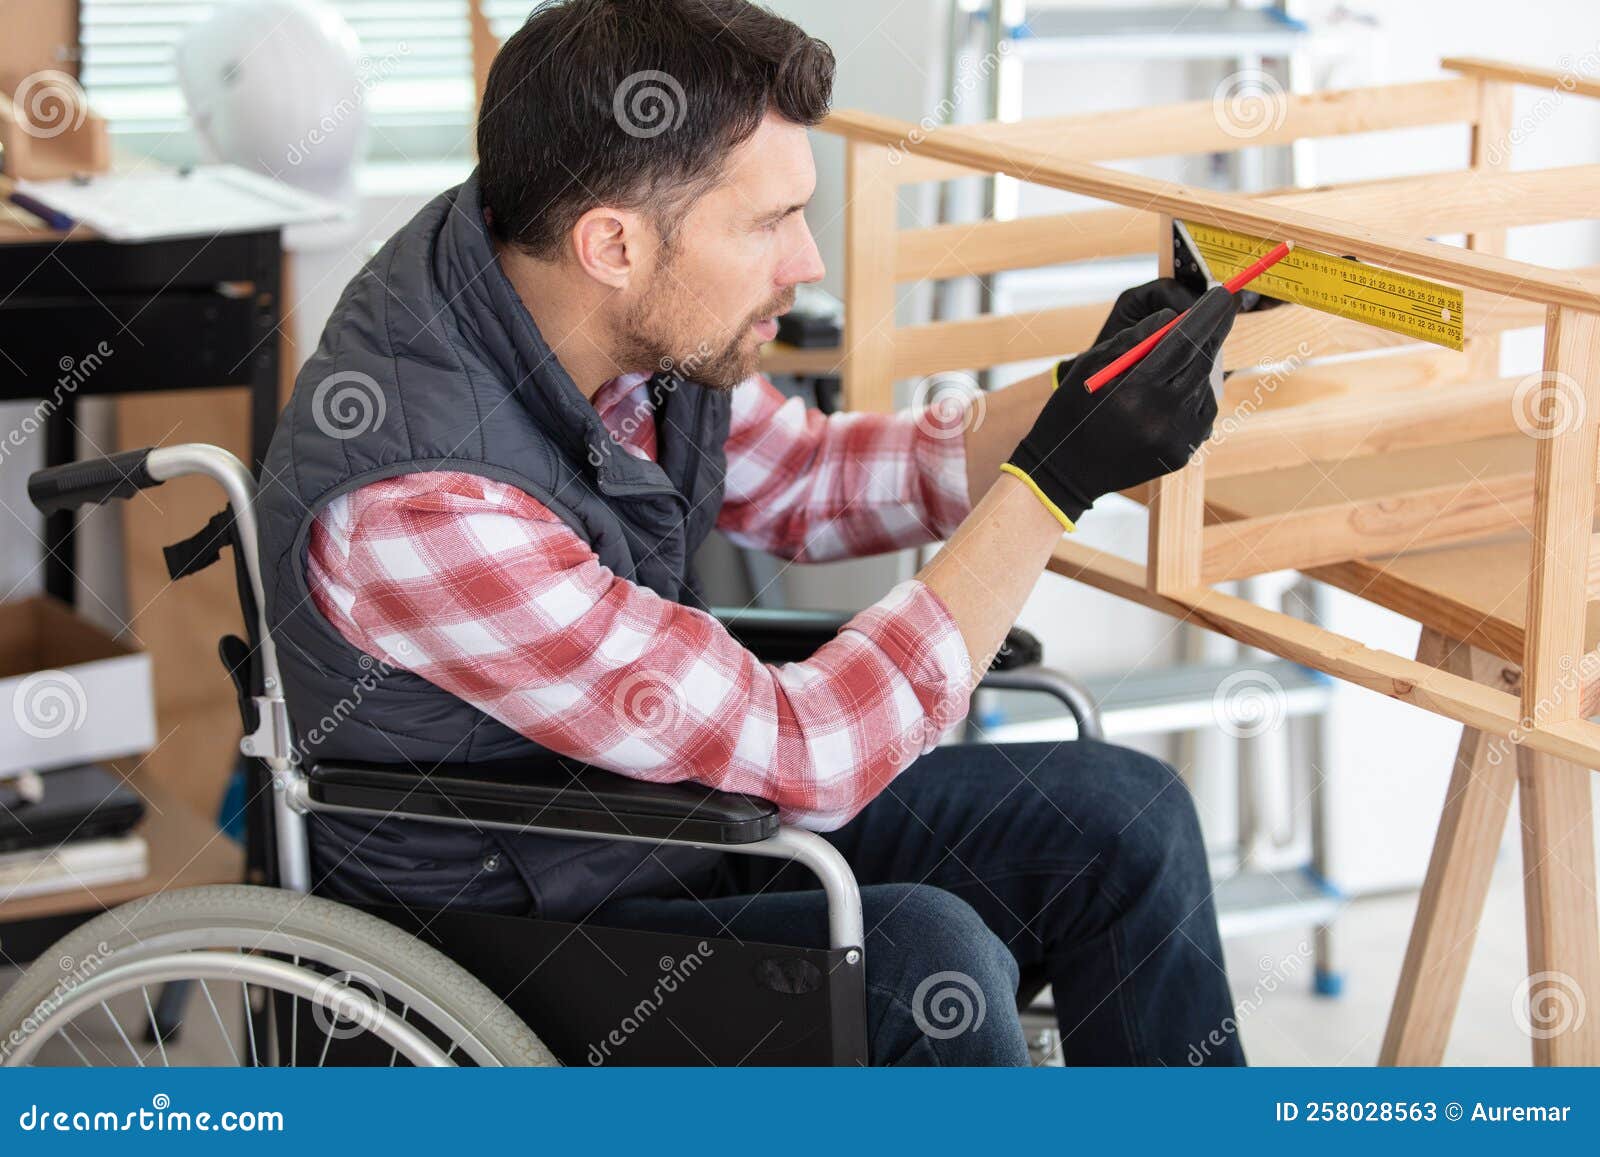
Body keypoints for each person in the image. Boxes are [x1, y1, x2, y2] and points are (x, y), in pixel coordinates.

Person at [256, 0, 1244, 1065]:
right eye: (768, 222)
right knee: (920, 965)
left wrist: (1083, 390)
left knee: (1119, 819)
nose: (806, 260)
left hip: (649, 832)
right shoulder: (426, 509)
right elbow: (812, 752)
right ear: (615, 244)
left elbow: (817, 480)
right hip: (502, 937)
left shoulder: (580, 305)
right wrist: (1054, 483)